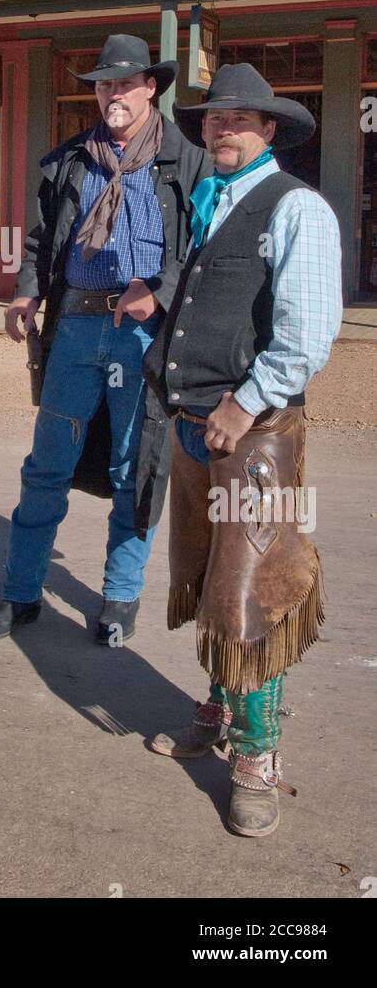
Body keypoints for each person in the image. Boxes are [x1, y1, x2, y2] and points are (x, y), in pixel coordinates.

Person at [143, 63, 342, 837]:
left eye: (239, 119)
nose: (222, 128)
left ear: (269, 131)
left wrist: (242, 402)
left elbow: (307, 334)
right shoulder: (211, 200)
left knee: (252, 587)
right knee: (205, 571)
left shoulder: (298, 208)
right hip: (197, 422)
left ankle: (258, 754)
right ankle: (225, 709)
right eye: (214, 119)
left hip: (253, 433)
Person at [0, 34, 210, 645]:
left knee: (135, 467)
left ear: (151, 87)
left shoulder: (188, 163)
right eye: (104, 84)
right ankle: (20, 595)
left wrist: (160, 288)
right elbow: (41, 242)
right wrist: (27, 291)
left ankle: (120, 599)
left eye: (124, 83)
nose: (113, 94)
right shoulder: (70, 159)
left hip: (144, 334)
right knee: (46, 465)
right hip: (75, 327)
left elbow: (201, 248)